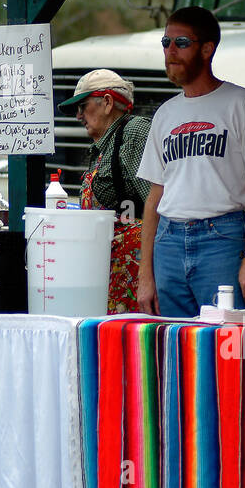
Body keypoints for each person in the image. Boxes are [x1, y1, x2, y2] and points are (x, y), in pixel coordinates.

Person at [136, 6, 245, 317]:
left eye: (181, 43)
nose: (170, 51)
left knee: (225, 346)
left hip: (222, 239)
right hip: (168, 242)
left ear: (207, 49)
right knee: (174, 348)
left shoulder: (241, 103)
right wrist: (145, 274)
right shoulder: (165, 113)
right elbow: (154, 197)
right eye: (166, 43)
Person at [58, 69, 152, 313]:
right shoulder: (101, 148)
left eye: (83, 106)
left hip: (135, 275)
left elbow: (158, 205)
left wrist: (147, 276)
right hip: (110, 274)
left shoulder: (133, 133)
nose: (78, 116)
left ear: (108, 102)